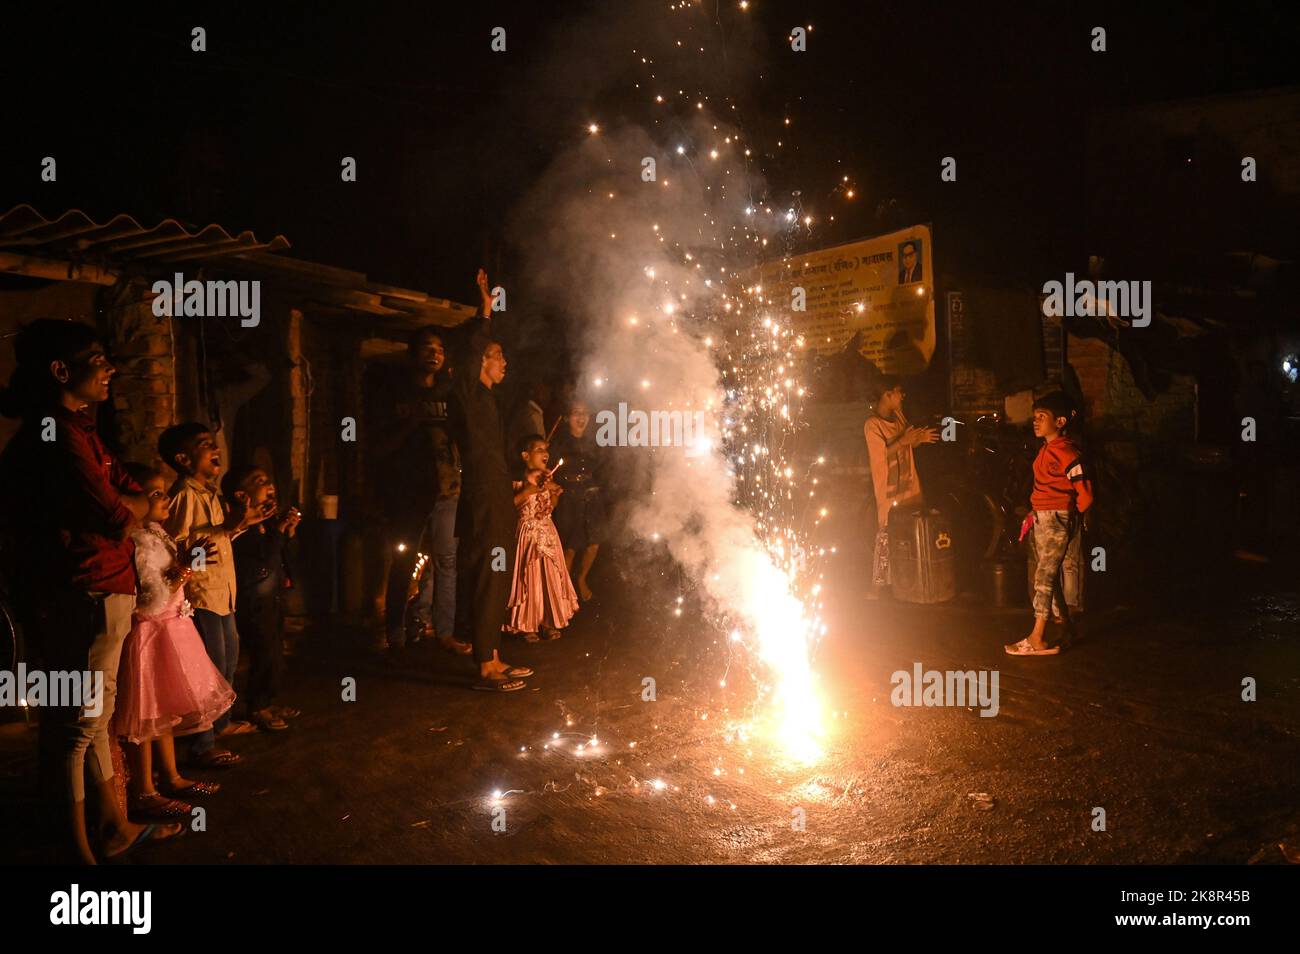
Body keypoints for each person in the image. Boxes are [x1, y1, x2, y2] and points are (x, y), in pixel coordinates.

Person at [0, 318, 180, 862]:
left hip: (102, 585)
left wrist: (136, 504)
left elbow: (135, 490)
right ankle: (73, 848)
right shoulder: (53, 434)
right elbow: (115, 514)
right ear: (62, 370)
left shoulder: (78, 428)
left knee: (90, 718)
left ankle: (111, 826)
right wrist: (138, 508)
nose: (112, 369)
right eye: (99, 360)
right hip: (86, 589)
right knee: (75, 726)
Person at [115, 464, 233, 821]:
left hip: (172, 632)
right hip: (151, 636)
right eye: (157, 494)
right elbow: (148, 599)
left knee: (164, 713)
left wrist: (186, 564)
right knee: (145, 717)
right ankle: (145, 791)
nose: (166, 499)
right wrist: (183, 568)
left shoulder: (155, 532)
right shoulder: (137, 540)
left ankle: (171, 777)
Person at [159, 422, 268, 764]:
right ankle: (201, 744)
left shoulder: (211, 494)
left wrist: (239, 523)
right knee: (209, 670)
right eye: (205, 444)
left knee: (228, 666)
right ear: (184, 459)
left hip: (224, 594)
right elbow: (175, 548)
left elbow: (217, 539)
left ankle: (219, 725)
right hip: (201, 596)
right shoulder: (183, 496)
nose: (214, 447)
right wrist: (222, 531)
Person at [449, 268, 534, 691]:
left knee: (498, 576)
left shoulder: (489, 400)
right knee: (487, 574)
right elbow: (468, 354)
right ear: (481, 359)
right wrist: (485, 312)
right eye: (497, 354)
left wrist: (516, 485)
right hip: (482, 500)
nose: (504, 362)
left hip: (497, 496)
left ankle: (494, 655)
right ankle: (484, 665)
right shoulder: (466, 391)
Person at [370, 325, 467, 657]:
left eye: (439, 348)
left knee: (447, 561)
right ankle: (395, 634)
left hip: (447, 489)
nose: (435, 353)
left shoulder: (449, 396)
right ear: (413, 354)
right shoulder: (395, 396)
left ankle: (444, 632)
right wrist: (410, 424)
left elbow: (462, 438)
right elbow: (378, 445)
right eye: (427, 347)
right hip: (408, 492)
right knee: (405, 560)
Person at [1005, 391, 1094, 657]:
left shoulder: (1066, 451)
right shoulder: (1046, 449)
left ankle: (1037, 637)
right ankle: (1066, 627)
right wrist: (1034, 512)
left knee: (1043, 577)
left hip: (1056, 518)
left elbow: (1085, 492)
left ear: (1060, 422)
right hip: (1043, 517)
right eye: (1035, 417)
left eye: (1042, 417)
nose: (1036, 421)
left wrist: (1075, 514)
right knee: (1049, 578)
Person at [223, 465, 302, 731]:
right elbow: (262, 561)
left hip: (273, 599)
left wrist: (287, 532)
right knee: (263, 652)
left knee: (275, 652)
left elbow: (283, 558)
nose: (269, 485)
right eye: (259, 480)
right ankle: (257, 707)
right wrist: (279, 532)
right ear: (241, 494)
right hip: (252, 602)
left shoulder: (268, 524)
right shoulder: (240, 528)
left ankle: (268, 700)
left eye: (269, 480)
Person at [864, 376, 936, 597]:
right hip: (889, 492)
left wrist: (919, 438)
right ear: (887, 395)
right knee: (886, 536)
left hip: (910, 486)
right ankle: (877, 588)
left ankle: (912, 582)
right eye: (898, 391)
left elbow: (907, 441)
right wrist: (905, 440)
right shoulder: (872, 425)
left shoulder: (899, 417)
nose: (902, 395)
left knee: (912, 533)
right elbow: (880, 456)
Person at [506, 435, 579, 642]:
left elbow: (551, 506)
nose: (545, 453)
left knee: (548, 576)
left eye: (546, 449)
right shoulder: (517, 481)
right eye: (539, 449)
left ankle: (547, 621)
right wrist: (529, 490)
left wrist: (554, 493)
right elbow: (510, 506)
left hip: (547, 534)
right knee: (528, 577)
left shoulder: (548, 479)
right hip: (526, 535)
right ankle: (527, 624)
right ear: (525, 455)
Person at [551, 400, 607, 602]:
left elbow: (603, 467)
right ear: (568, 417)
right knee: (570, 546)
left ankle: (581, 578)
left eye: (585, 413)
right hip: (568, 495)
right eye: (576, 413)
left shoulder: (594, 441)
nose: (581, 417)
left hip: (590, 494)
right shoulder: (559, 442)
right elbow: (550, 471)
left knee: (594, 543)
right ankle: (563, 591)